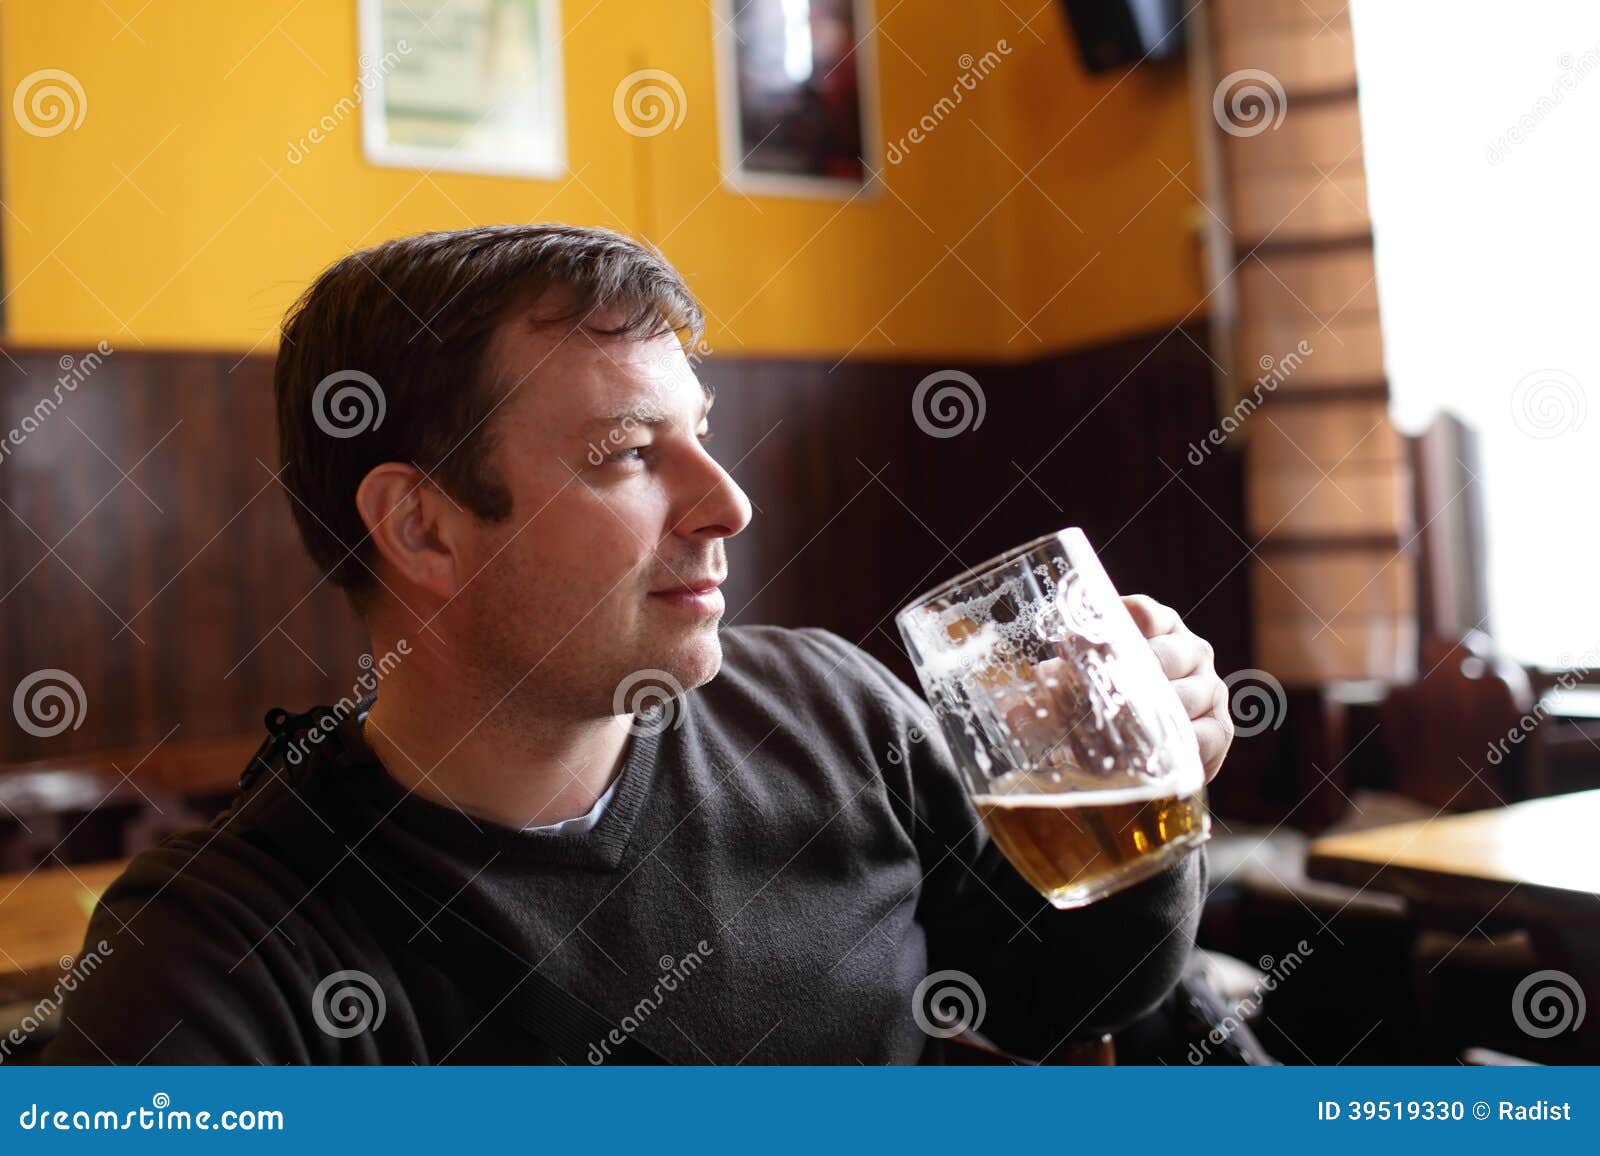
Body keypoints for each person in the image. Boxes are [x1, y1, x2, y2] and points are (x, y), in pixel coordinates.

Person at [44, 224, 1233, 1064]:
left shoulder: (832, 709)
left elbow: (1065, 992)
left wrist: (1147, 800)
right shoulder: (222, 956)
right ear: (423, 526)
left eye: (701, 435)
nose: (729, 503)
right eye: (627, 452)